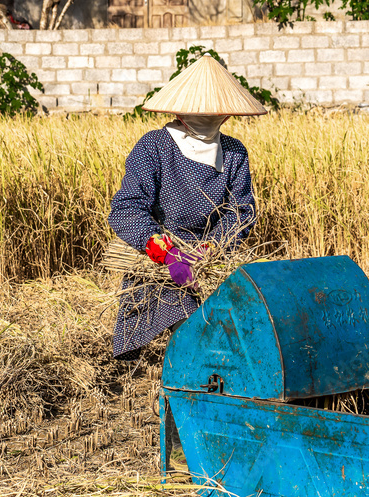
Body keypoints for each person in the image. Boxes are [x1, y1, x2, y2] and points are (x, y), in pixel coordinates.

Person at [108, 54, 268, 361]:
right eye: (198, 113)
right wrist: (167, 253)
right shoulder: (153, 146)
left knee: (222, 332)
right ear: (179, 112)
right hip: (159, 258)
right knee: (186, 331)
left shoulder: (234, 152)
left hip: (209, 259)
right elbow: (126, 208)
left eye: (214, 113)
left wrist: (210, 248)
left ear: (226, 115)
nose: (206, 118)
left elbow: (241, 211)